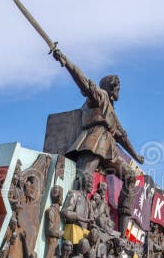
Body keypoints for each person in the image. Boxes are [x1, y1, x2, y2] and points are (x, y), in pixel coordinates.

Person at [51, 48, 144, 180]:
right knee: (83, 180)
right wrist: (66, 62)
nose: (119, 89)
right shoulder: (101, 97)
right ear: (111, 87)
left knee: (130, 178)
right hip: (94, 142)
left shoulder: (112, 114)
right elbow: (85, 84)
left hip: (109, 148)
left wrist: (137, 157)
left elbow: (122, 138)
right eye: (117, 86)